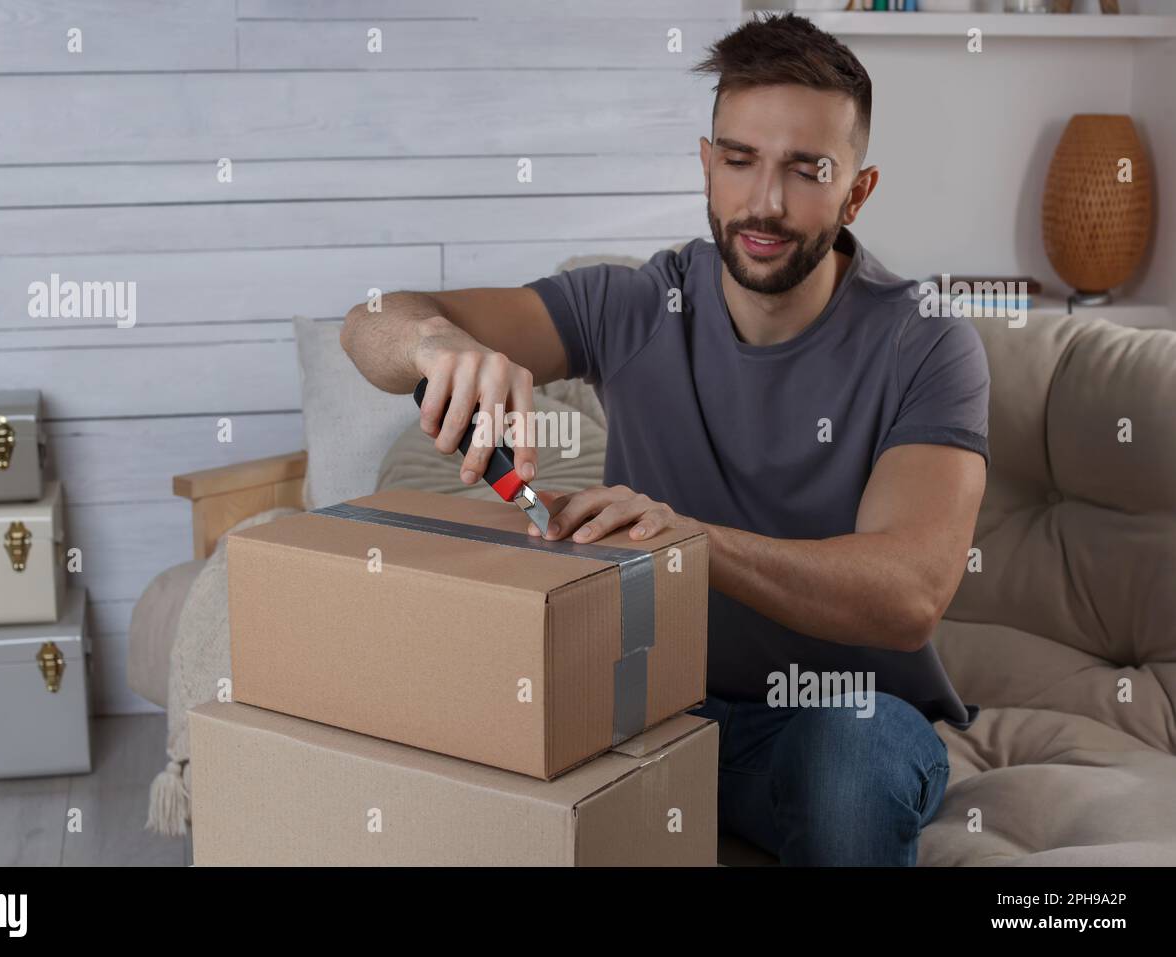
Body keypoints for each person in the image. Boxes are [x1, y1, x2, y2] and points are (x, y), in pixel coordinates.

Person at [339, 12, 988, 866]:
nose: (765, 201)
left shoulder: (927, 341)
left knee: (849, 761)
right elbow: (371, 322)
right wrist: (436, 343)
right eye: (739, 159)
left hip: (843, 715)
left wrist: (684, 541)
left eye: (807, 169)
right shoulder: (638, 304)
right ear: (706, 164)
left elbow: (907, 595)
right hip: (644, 708)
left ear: (856, 191)